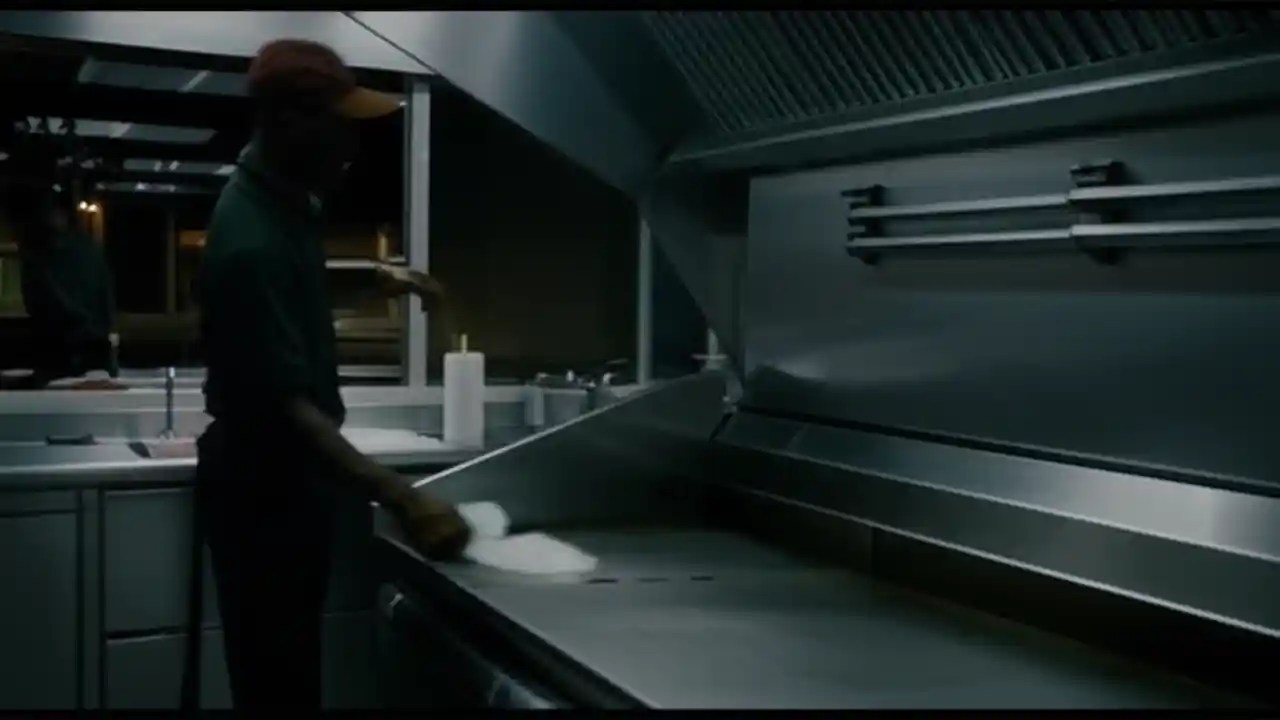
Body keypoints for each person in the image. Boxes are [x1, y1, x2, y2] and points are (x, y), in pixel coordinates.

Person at [193, 39, 471, 710]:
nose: (352, 142)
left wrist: (379, 279)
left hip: (287, 490)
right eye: (339, 123)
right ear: (291, 120)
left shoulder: (285, 207)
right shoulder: (250, 238)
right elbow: (289, 408)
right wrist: (401, 495)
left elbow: (296, 291)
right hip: (266, 497)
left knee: (288, 671)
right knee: (278, 684)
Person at [15, 191, 116, 386]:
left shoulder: (42, 253)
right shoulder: (89, 249)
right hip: (93, 349)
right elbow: (106, 297)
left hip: (60, 351)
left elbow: (38, 300)